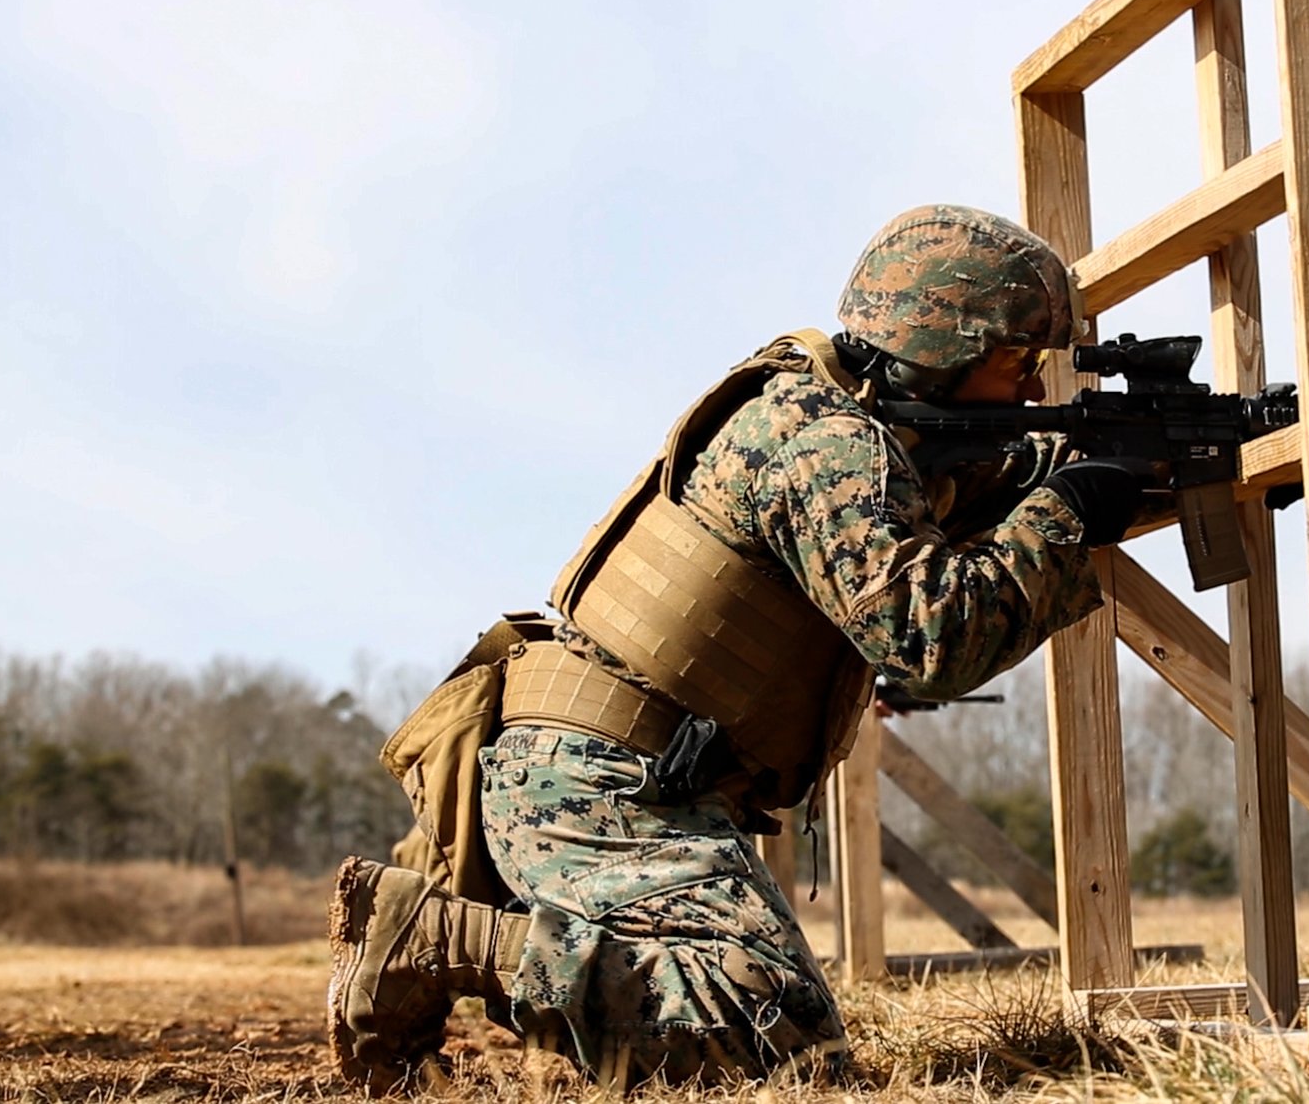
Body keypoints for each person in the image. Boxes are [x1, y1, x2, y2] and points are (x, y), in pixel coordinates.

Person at [326, 204, 1155, 1092]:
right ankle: (444, 940)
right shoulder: (824, 441)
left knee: (770, 1033)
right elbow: (931, 635)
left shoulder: (865, 423)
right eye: (1017, 364)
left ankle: (520, 945)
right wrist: (1064, 513)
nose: (1033, 391)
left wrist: (1111, 456)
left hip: (615, 771)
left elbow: (977, 484)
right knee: (773, 1046)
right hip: (608, 783)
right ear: (943, 346)